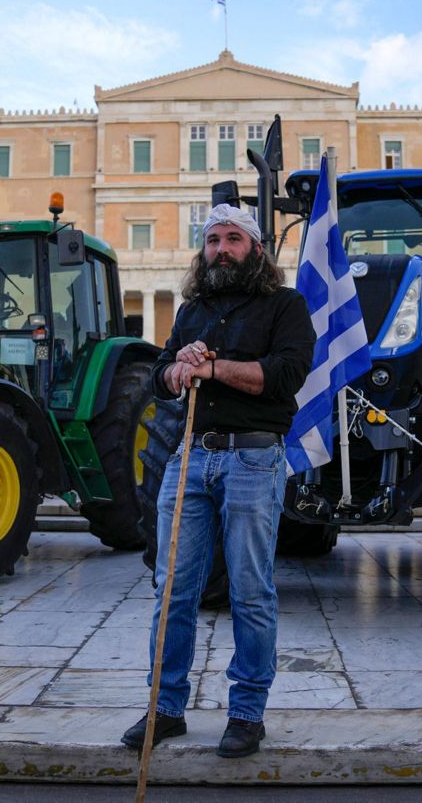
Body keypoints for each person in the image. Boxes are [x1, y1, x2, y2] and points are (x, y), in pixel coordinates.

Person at [121, 203, 315, 759]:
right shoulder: (193, 310)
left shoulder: (285, 306)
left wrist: (212, 368)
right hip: (190, 459)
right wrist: (177, 367)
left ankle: (247, 712)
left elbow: (283, 376)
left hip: (254, 460)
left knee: (251, 592)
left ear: (255, 248)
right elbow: (160, 379)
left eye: (233, 239)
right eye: (212, 240)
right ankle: (165, 706)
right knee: (172, 591)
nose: (222, 249)